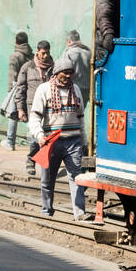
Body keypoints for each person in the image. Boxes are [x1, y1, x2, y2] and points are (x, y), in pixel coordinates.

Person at [29, 59, 86, 219]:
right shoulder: (44, 90)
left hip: (73, 141)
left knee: (77, 178)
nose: (68, 76)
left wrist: (84, 141)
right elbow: (34, 117)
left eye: (70, 73)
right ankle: (47, 211)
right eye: (65, 72)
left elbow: (81, 117)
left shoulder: (75, 90)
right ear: (56, 73)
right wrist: (39, 136)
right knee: (47, 179)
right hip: (50, 141)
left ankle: (79, 213)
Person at [14, 40, 54, 176]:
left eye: (47, 53)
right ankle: (31, 160)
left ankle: (45, 164)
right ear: (37, 51)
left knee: (47, 137)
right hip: (32, 108)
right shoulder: (27, 67)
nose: (45, 56)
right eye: (43, 53)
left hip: (50, 108)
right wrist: (20, 109)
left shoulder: (54, 67)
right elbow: (20, 89)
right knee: (35, 135)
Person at [3, 32, 33, 151]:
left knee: (13, 114)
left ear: (16, 42)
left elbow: (12, 75)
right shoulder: (31, 55)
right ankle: (32, 141)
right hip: (29, 88)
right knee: (31, 114)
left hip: (17, 88)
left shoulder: (14, 56)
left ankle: (10, 142)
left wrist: (10, 91)